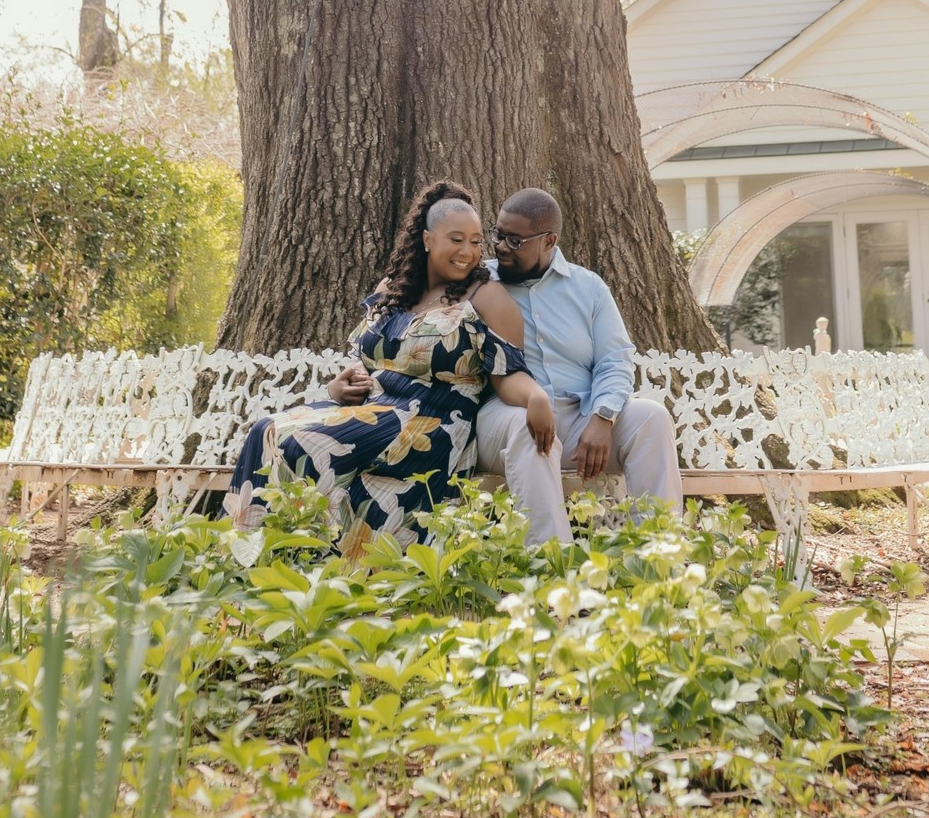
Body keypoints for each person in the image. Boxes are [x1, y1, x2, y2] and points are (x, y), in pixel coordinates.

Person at [228, 180, 555, 558]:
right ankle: (245, 557)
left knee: (301, 444)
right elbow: (369, 361)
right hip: (372, 411)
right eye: (456, 239)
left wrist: (536, 396)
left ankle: (303, 563)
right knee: (264, 429)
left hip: (430, 425)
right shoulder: (393, 291)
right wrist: (338, 388)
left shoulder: (486, 296)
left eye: (477, 241)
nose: (469, 252)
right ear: (428, 239)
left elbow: (507, 373)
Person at [474, 187, 682, 545]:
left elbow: (614, 360)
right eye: (498, 234)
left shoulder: (588, 288)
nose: (501, 247)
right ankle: (550, 562)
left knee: (652, 417)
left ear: (549, 240)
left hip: (581, 418)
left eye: (515, 240)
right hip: (508, 416)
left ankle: (659, 554)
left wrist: (603, 417)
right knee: (529, 430)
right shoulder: (479, 282)